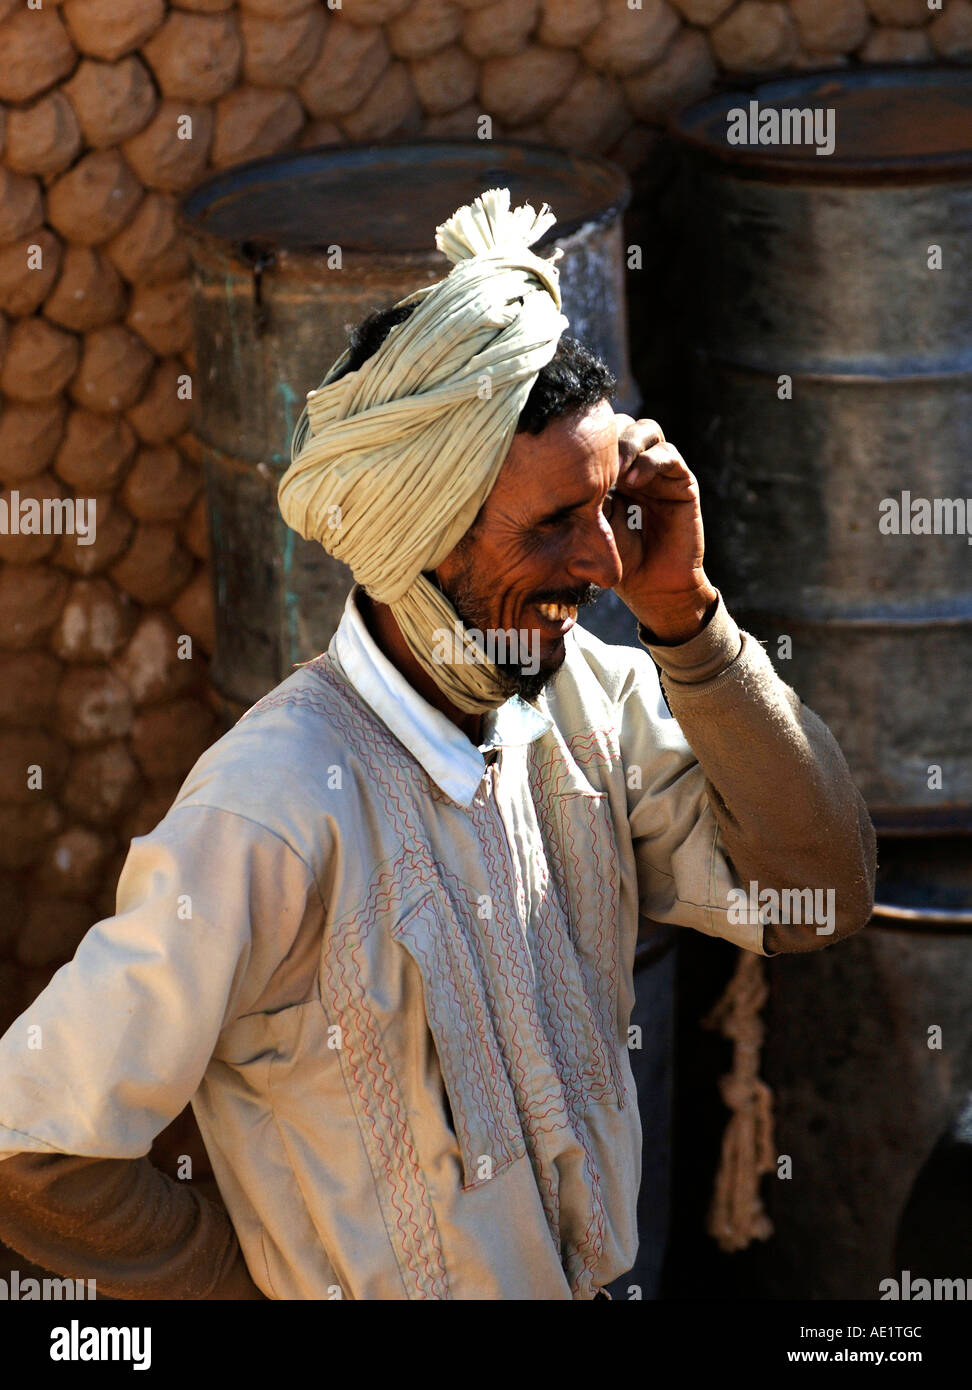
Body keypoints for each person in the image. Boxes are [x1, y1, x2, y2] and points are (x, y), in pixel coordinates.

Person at [0, 189, 876, 1301]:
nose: (603, 562)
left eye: (608, 509)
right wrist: (244, 1287)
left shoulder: (590, 711)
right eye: (553, 525)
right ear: (421, 534)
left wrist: (690, 619)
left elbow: (818, 895)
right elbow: (29, 1145)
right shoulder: (272, 806)